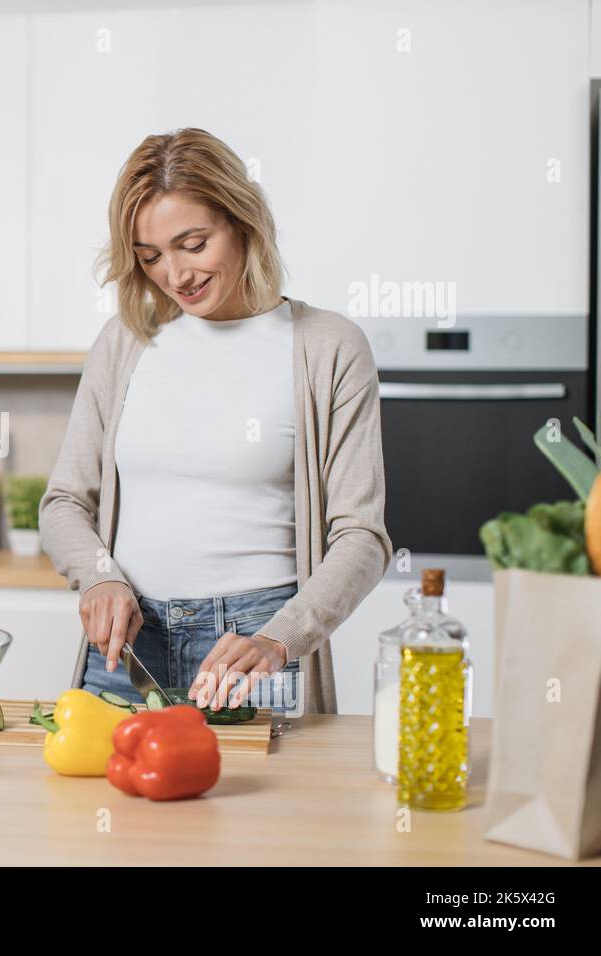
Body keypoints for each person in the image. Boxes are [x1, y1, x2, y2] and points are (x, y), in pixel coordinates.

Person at [40, 128, 390, 715]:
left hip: (253, 648)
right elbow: (64, 502)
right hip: (129, 651)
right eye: (150, 257)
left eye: (193, 244)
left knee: (259, 809)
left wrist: (280, 639)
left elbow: (362, 535)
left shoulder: (328, 347)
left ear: (242, 222)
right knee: (101, 807)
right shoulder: (125, 342)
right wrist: (99, 576)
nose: (175, 275)